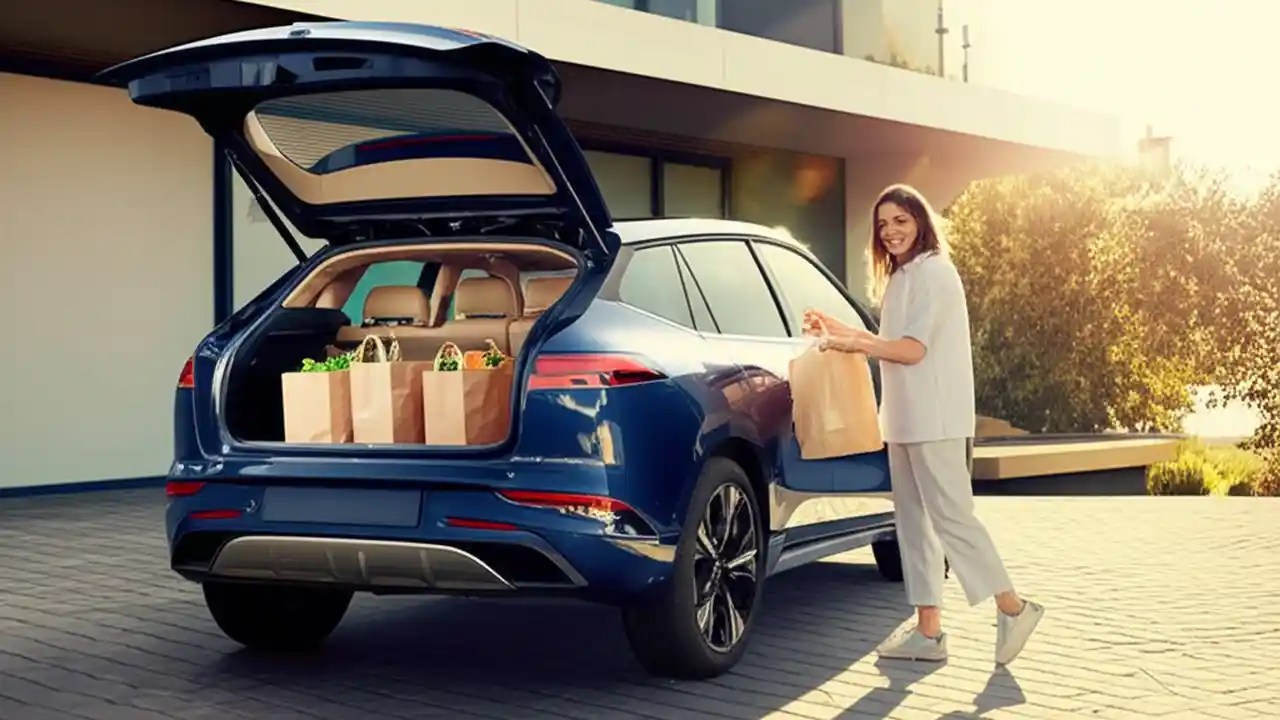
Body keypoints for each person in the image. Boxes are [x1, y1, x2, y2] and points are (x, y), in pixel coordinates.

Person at [802, 183, 1044, 665]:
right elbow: (888, 340)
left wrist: (855, 345)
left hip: (936, 418)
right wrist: (840, 330)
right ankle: (929, 632)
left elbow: (912, 351)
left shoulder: (936, 273)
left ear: (921, 222)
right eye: (883, 224)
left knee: (953, 518)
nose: (890, 231)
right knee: (912, 523)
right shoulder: (902, 277)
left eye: (900, 221)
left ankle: (1013, 607)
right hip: (904, 419)